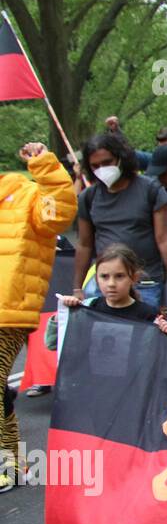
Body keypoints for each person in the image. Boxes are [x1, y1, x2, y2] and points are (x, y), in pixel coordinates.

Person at [0, 142, 77, 491]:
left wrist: (45, 166)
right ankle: (12, 460)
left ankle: (11, 464)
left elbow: (58, 215)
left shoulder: (27, 193)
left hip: (9, 311)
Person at [76, 131, 167, 311]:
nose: (101, 169)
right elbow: (84, 244)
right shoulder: (88, 197)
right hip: (104, 284)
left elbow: (164, 239)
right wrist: (77, 288)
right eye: (95, 166)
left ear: (121, 158)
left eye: (107, 163)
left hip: (145, 282)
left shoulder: (150, 190)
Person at [58, 244, 159, 322]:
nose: (111, 284)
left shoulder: (148, 314)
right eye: (104, 276)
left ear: (134, 278)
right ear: (97, 279)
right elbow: (53, 342)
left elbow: (157, 346)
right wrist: (65, 314)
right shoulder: (89, 307)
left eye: (119, 276)